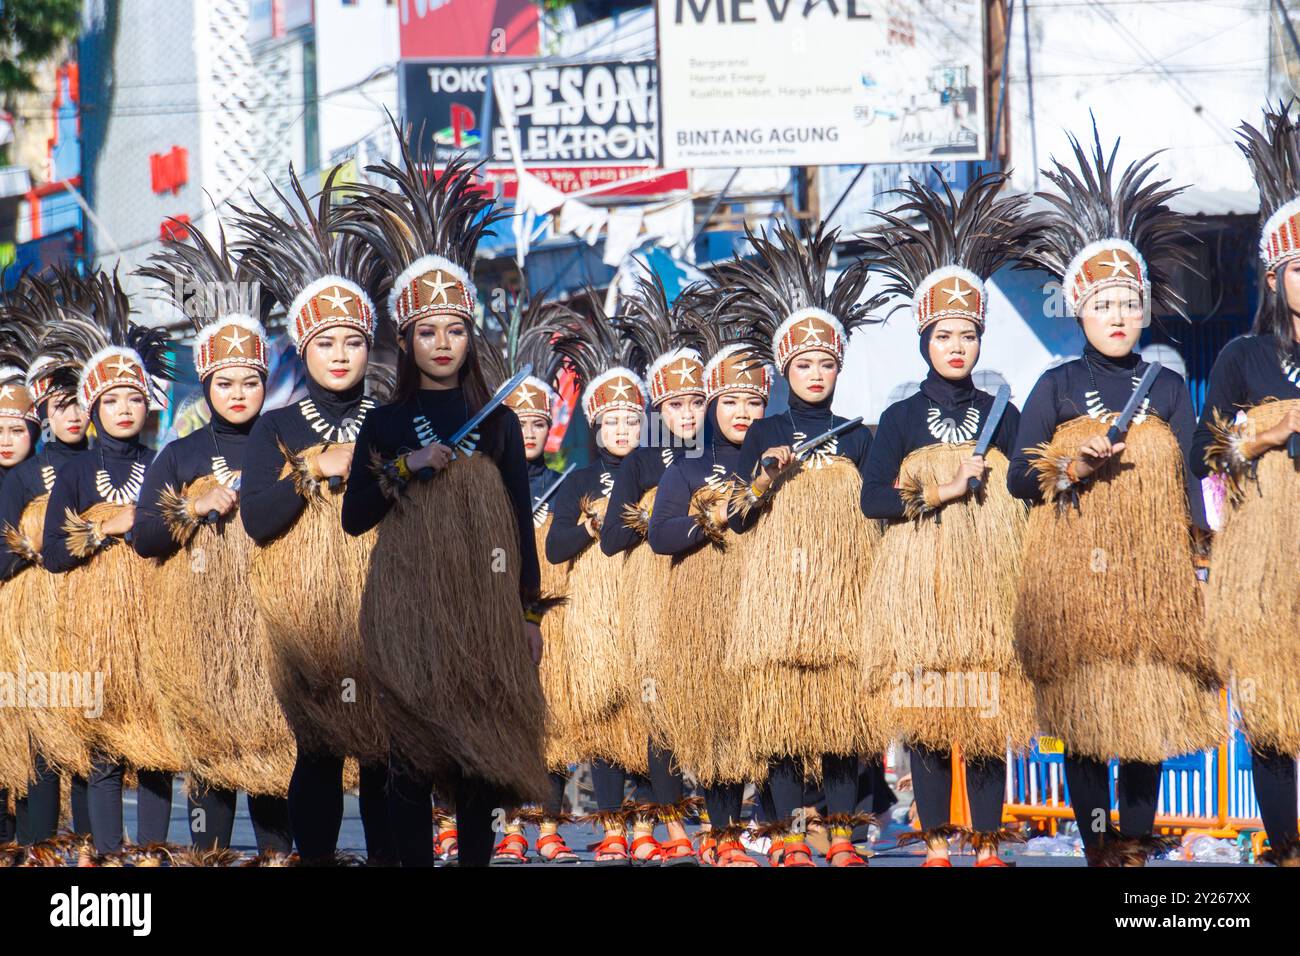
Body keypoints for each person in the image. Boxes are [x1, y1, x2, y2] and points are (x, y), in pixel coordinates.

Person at [1008, 126, 1219, 866]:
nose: (1119, 316)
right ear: (1079, 312)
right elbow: (1015, 477)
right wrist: (1069, 464)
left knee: (1148, 708)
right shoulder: (1056, 386)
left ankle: (1136, 839)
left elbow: (1195, 472)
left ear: (1146, 309)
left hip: (1155, 582)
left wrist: (1204, 550)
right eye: (1104, 306)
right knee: (1089, 718)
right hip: (1077, 585)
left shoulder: (1165, 387)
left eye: (1130, 302)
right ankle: (1100, 846)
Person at [338, 144, 547, 868]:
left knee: (475, 760)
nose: (443, 343)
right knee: (410, 756)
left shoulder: (497, 422)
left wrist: (526, 614)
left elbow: (520, 520)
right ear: (407, 340)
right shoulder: (385, 423)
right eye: (428, 332)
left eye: (455, 330)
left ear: (469, 335)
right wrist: (407, 465)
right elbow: (354, 514)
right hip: (404, 605)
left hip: (482, 609)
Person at [857, 171, 1040, 866]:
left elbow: (1026, 486)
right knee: (932, 713)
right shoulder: (901, 416)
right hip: (920, 588)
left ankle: (986, 843)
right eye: (944, 334)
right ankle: (936, 842)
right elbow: (873, 499)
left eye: (968, 334)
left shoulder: (1006, 414)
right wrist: (937, 492)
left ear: (980, 341)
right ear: (924, 339)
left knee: (986, 706)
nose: (957, 346)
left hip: (989, 585)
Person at [234, 170, 395, 865]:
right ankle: (317, 860)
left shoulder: (393, 421)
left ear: (368, 349)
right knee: (321, 749)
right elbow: (258, 519)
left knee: (390, 752)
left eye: (353, 342)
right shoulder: (275, 424)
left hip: (387, 610)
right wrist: (315, 467)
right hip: (304, 625)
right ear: (303, 348)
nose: (340, 354)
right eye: (326, 343)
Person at [720, 222, 887, 867]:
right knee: (787, 721)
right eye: (804, 364)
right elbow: (736, 521)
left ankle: (843, 836)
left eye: (826, 363)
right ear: (786, 369)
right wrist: (763, 479)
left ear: (838, 368)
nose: (816, 373)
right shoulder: (765, 429)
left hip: (844, 600)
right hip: (779, 601)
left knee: (841, 722)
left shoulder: (858, 435)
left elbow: (876, 515)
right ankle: (792, 836)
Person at [131, 222, 294, 855]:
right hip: (199, 633)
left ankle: (281, 856)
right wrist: (193, 506)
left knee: (272, 757)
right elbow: (146, 537)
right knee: (210, 761)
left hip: (272, 628)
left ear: (263, 382)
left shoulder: (283, 439)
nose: (237, 393)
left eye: (248, 381)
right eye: (224, 383)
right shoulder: (178, 453)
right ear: (206, 383)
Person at [41, 269, 178, 856]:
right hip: (93, 631)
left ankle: (149, 855)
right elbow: (52, 553)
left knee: (155, 750)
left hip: (159, 622)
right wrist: (103, 526)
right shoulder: (73, 471)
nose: (124, 408)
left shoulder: (165, 459)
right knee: (102, 753)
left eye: (134, 397)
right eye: (112, 399)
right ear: (93, 405)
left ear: (148, 404)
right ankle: (104, 857)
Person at [1194, 105, 1300, 865]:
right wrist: (1261, 433)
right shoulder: (1241, 357)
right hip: (1263, 561)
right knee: (1268, 703)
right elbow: (1208, 452)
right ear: (1275, 275)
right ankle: (1285, 841)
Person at [645, 308, 773, 867]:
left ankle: (764, 827)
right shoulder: (688, 467)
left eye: (755, 402)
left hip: (764, 606)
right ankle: (721, 835)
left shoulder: (773, 462)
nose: (743, 412)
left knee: (760, 720)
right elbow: (660, 536)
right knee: (719, 721)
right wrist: (711, 520)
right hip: (705, 613)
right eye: (732, 401)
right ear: (713, 404)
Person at [597, 272, 712, 866]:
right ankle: (667, 829)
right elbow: (613, 540)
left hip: (711, 594)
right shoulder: (640, 458)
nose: (688, 412)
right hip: (650, 599)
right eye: (676, 403)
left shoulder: (722, 450)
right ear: (657, 406)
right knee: (655, 710)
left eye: (697, 401)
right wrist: (650, 511)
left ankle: (726, 823)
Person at [541, 294, 651, 865]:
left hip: (646, 603)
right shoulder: (579, 476)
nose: (625, 428)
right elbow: (556, 547)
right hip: (596, 612)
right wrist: (589, 524)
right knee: (607, 719)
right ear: (596, 424)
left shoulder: (656, 470)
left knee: (647, 712)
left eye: (634, 419)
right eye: (613, 420)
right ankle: (612, 827)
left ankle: (654, 822)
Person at [487, 290, 580, 865]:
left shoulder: (568, 481)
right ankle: (509, 829)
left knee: (556, 727)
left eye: (538, 420)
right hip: (496, 617)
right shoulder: (485, 481)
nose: (528, 428)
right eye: (518, 419)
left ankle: (548, 826)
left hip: (555, 621)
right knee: (502, 724)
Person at [0, 273, 93, 844]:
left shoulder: (76, 468)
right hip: (18, 637)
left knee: (59, 750)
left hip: (70, 632)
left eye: (16, 428)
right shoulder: (20, 481)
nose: (6, 439)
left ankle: (61, 853)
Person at [0, 302, 41, 841]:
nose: (7, 437)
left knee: (34, 753)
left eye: (17, 427)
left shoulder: (50, 480)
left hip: (36, 641)